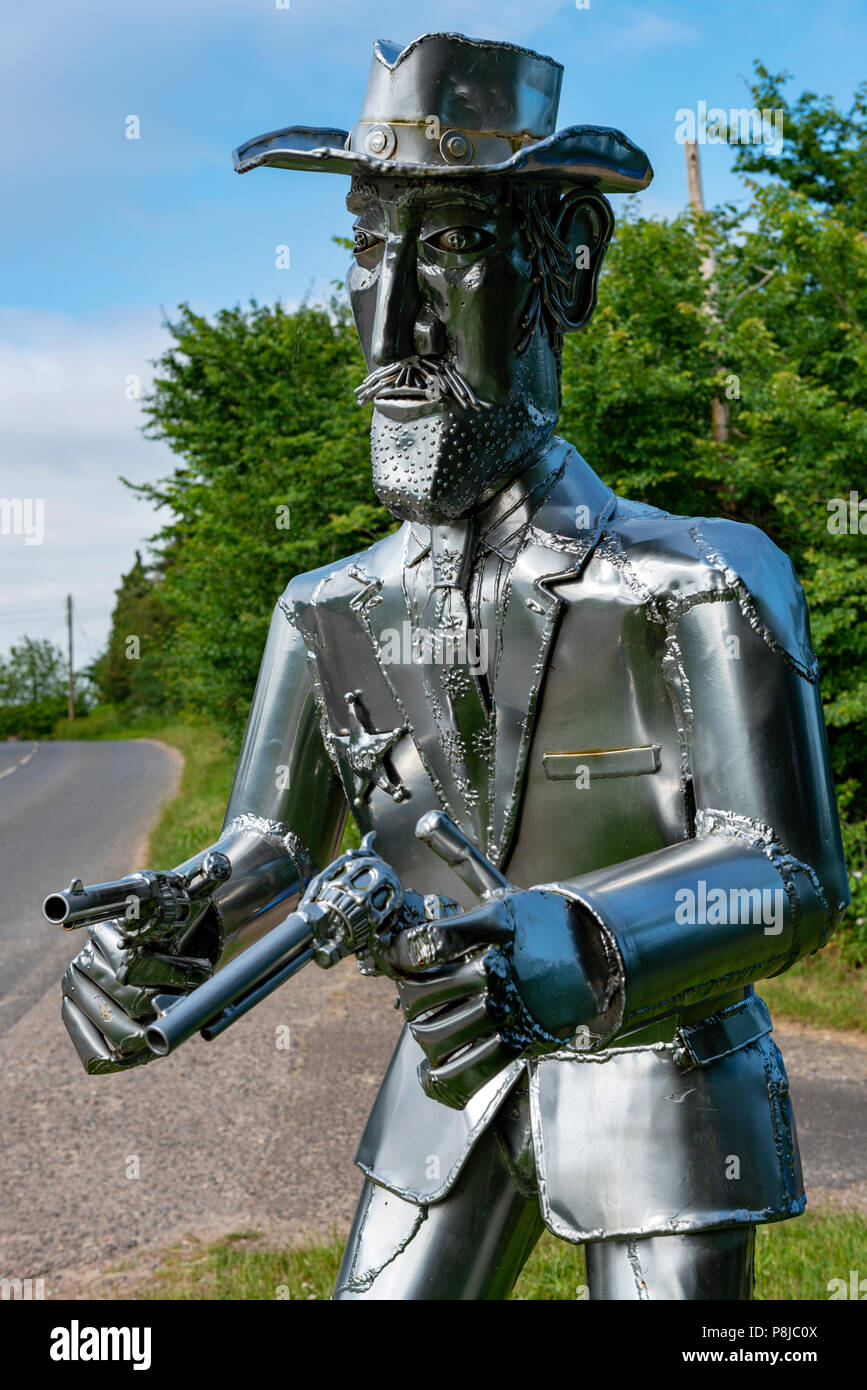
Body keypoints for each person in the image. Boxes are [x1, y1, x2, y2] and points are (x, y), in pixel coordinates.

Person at [60, 33, 849, 1300]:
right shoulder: (326, 608)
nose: (387, 324)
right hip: (444, 1095)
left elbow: (791, 871)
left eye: (443, 245)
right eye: (370, 249)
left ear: (570, 264)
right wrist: (164, 942)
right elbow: (269, 854)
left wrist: (578, 936)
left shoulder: (702, 576)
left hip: (665, 1091)